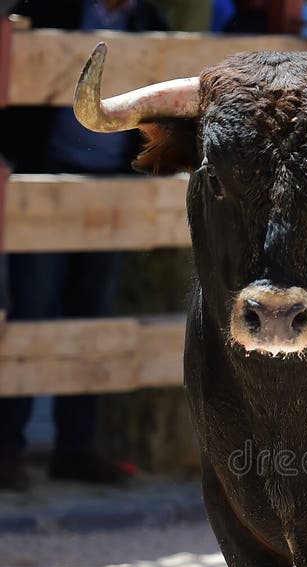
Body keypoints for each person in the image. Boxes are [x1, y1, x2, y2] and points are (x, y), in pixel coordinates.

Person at [0, 0, 169, 491]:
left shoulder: (148, 23)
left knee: (93, 315)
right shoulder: (49, 7)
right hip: (45, 183)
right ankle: (7, 447)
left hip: (113, 192)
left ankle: (75, 449)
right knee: (34, 314)